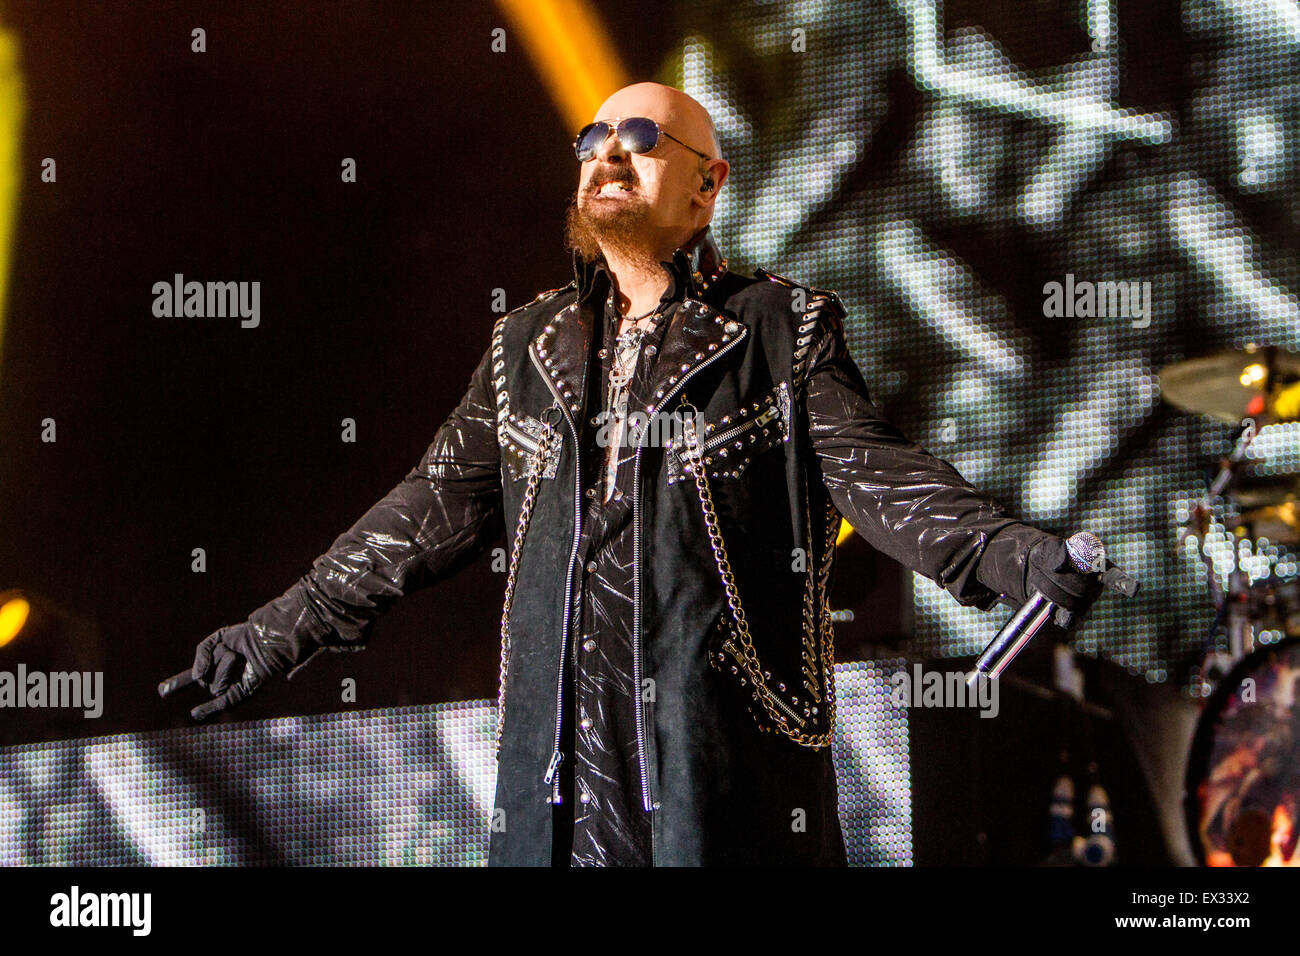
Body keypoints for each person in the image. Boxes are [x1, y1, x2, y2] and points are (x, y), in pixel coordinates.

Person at [171, 82, 1102, 866]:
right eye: (594, 138)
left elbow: (879, 477)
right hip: (554, 786)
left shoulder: (777, 332)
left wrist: (1009, 552)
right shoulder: (526, 348)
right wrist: (276, 630)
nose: (609, 155)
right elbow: (423, 510)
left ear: (708, 186)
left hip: (715, 774)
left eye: (644, 139)